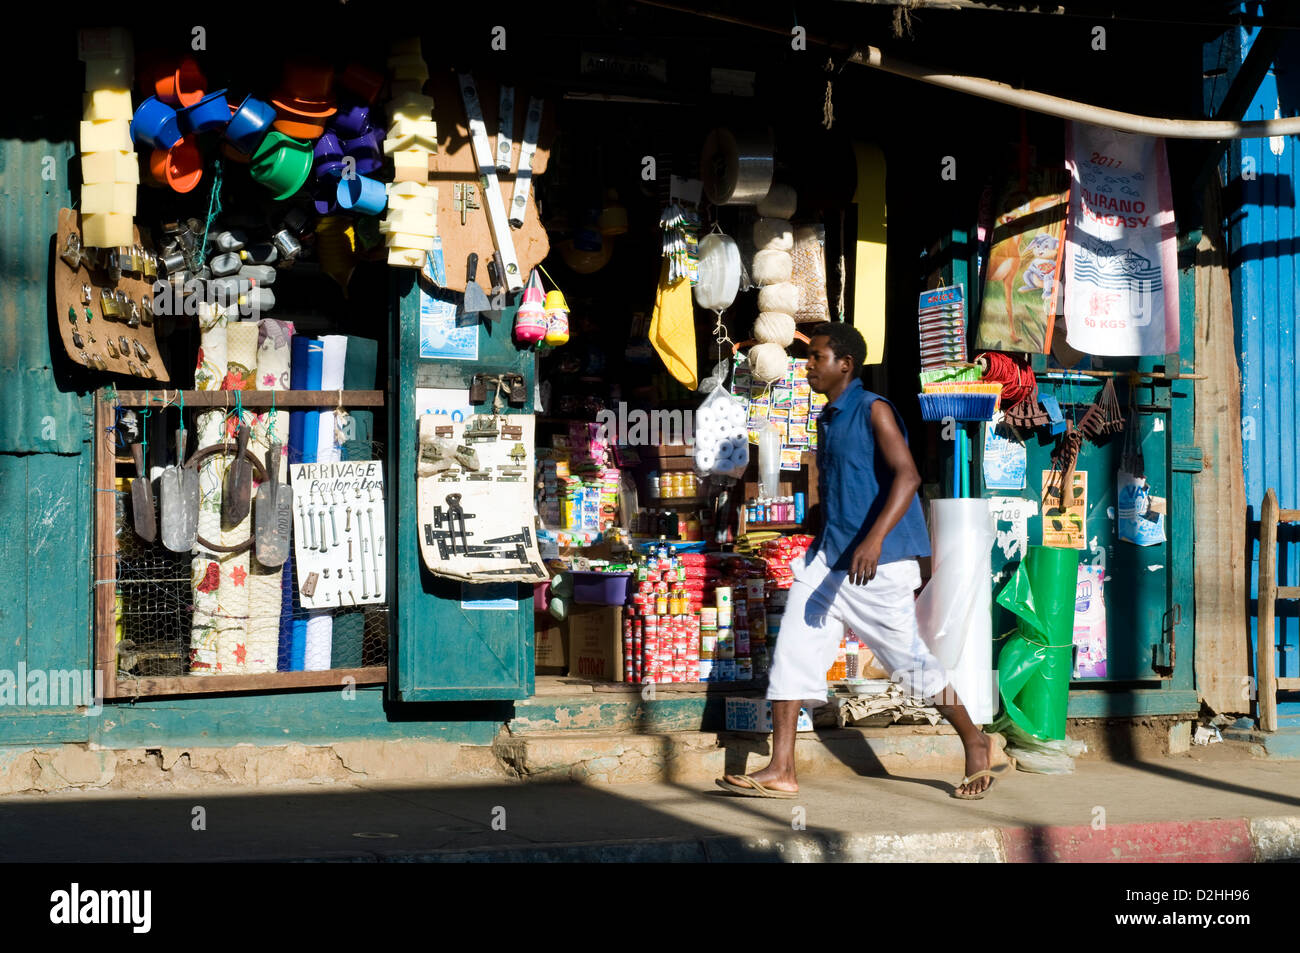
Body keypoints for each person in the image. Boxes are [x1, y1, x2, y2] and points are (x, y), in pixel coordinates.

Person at [717, 322, 1006, 800]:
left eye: (817, 358)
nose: (808, 365)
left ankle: (976, 741)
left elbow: (908, 477)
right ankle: (782, 768)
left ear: (845, 364)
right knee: (791, 651)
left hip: (879, 564)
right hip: (829, 560)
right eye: (808, 358)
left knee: (908, 666)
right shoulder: (826, 417)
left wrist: (872, 540)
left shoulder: (873, 409)